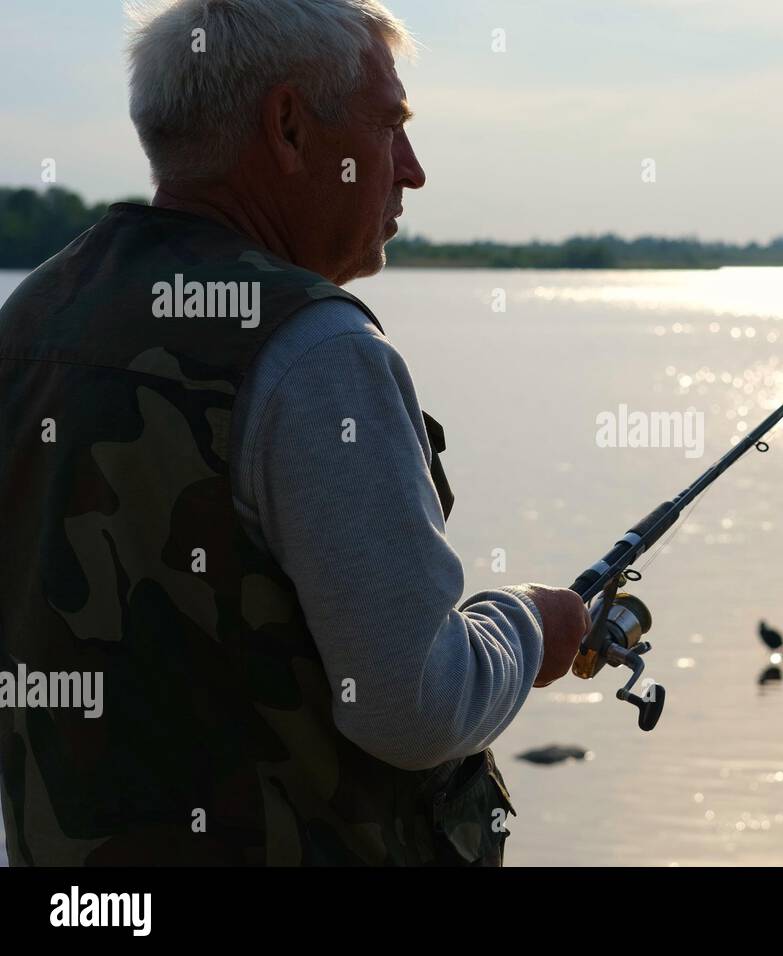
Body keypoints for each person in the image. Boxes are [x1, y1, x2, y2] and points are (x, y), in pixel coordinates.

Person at [0, 0, 589, 866]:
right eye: (391, 125)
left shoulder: (30, 322)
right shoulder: (316, 351)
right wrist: (534, 626)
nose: (414, 170)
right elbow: (413, 703)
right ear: (288, 127)